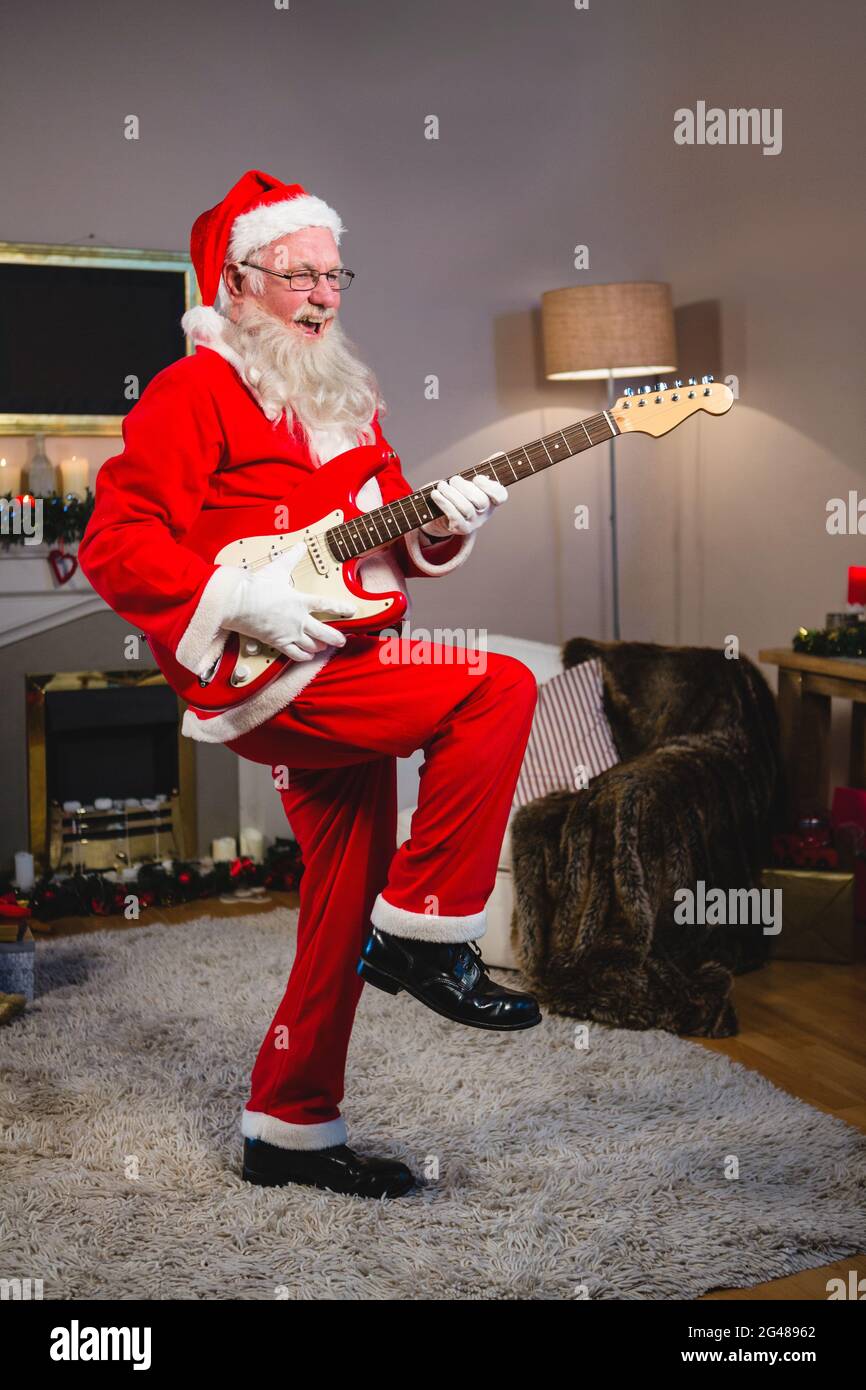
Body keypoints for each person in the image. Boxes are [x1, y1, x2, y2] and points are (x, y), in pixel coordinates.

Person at [78, 169, 541, 1200]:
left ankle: (290, 1126)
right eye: (300, 274)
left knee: (338, 896)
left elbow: (374, 549)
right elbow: (114, 542)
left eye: (335, 274)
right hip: (274, 676)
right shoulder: (192, 391)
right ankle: (425, 932)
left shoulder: (348, 397)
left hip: (346, 653)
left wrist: (442, 523)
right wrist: (236, 600)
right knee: (494, 686)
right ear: (239, 282)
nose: (324, 295)